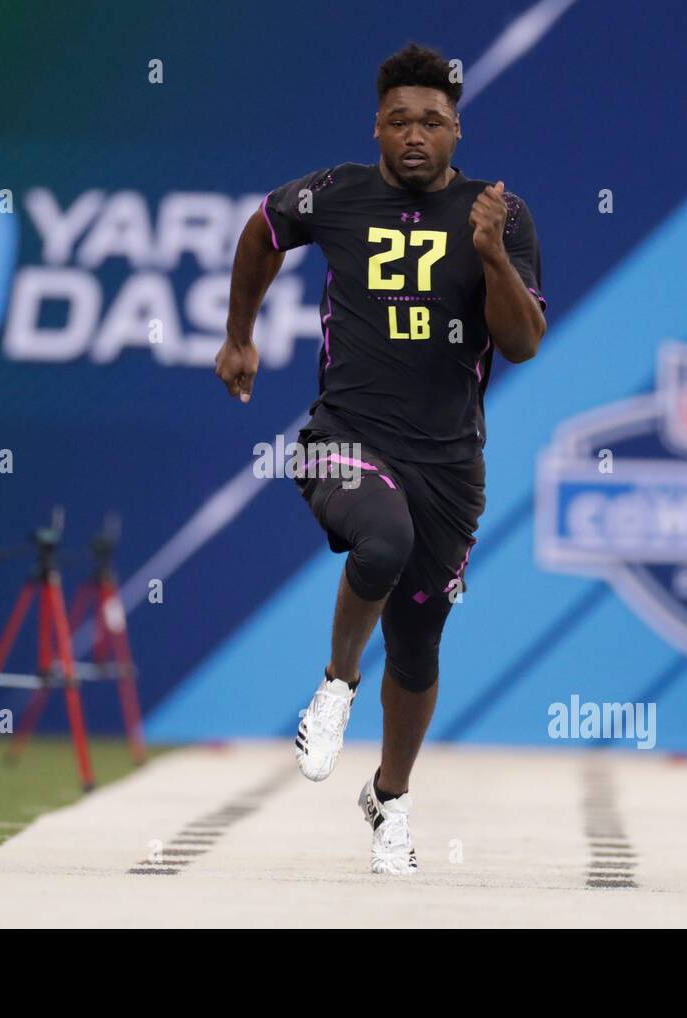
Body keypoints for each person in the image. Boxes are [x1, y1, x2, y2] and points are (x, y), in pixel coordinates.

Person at [215, 42, 546, 874]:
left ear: (456, 131)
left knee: (421, 642)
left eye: (431, 121)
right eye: (398, 119)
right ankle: (334, 686)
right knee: (382, 539)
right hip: (337, 444)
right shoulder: (336, 193)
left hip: (448, 467)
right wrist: (239, 337)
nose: (413, 134)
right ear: (376, 127)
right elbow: (260, 232)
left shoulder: (497, 215)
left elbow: (524, 343)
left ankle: (389, 800)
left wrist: (495, 259)